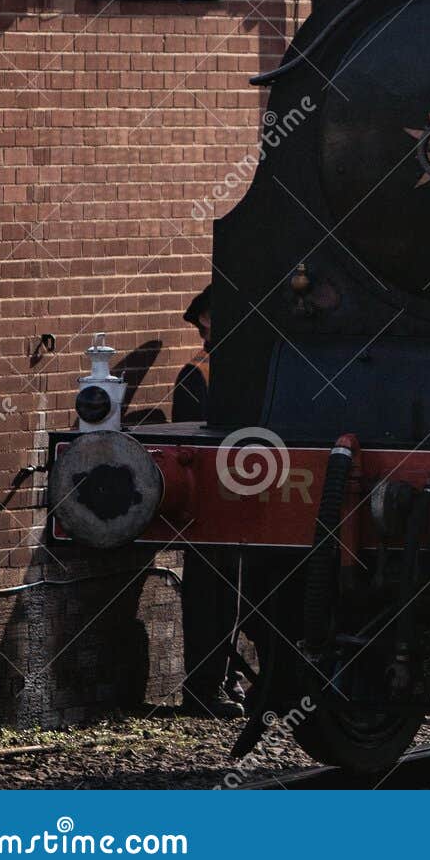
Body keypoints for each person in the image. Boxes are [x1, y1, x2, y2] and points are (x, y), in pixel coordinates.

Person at [174, 286, 242, 719]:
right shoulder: (198, 374)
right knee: (209, 595)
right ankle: (205, 685)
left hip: (238, 503)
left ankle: (225, 678)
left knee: (229, 595)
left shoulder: (230, 368)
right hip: (209, 507)